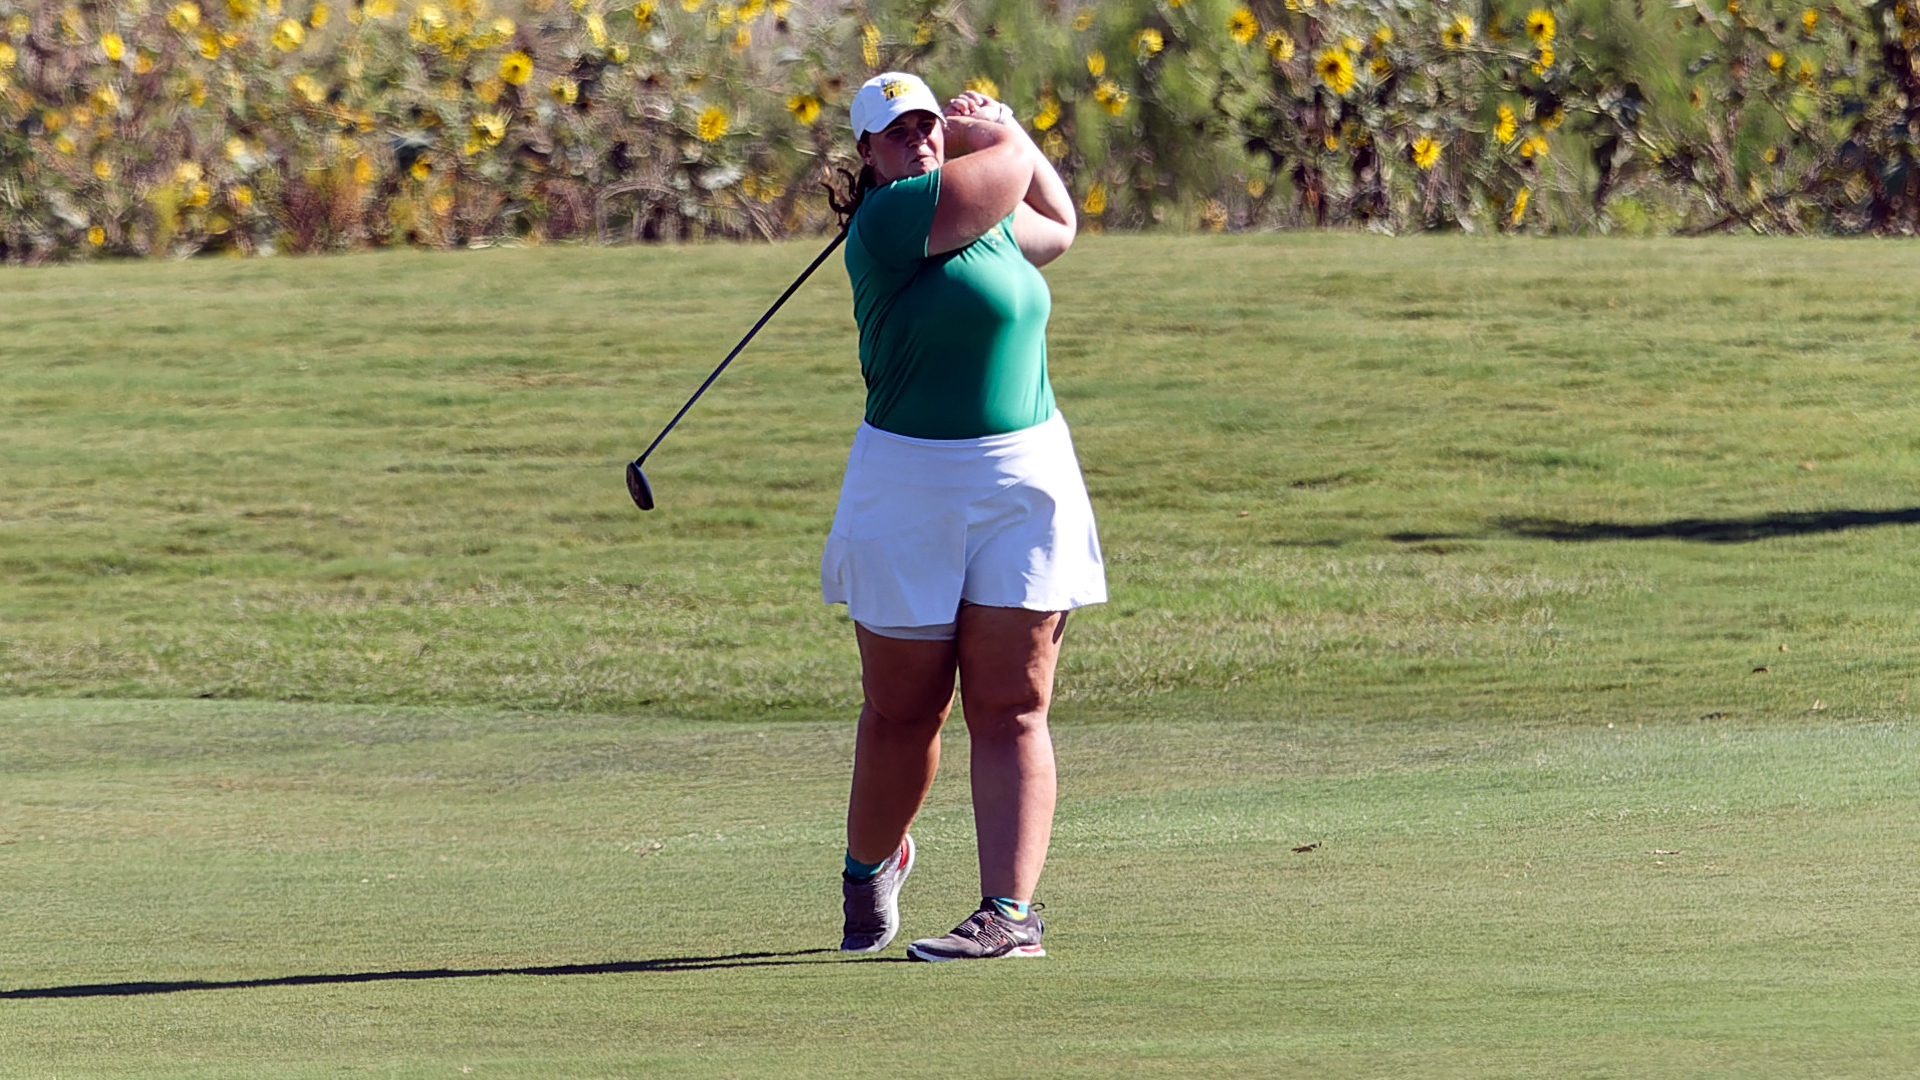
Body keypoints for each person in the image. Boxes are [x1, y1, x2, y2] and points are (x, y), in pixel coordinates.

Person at [821, 71, 1105, 962]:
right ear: (867, 156)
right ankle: (871, 864)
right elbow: (1013, 167)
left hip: (1025, 478)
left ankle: (1009, 915)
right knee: (905, 710)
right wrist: (1001, 130)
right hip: (909, 485)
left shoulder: (987, 219)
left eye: (926, 126)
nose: (920, 140)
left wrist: (1003, 134)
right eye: (898, 132)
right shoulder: (892, 220)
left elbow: (1057, 224)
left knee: (1012, 702)